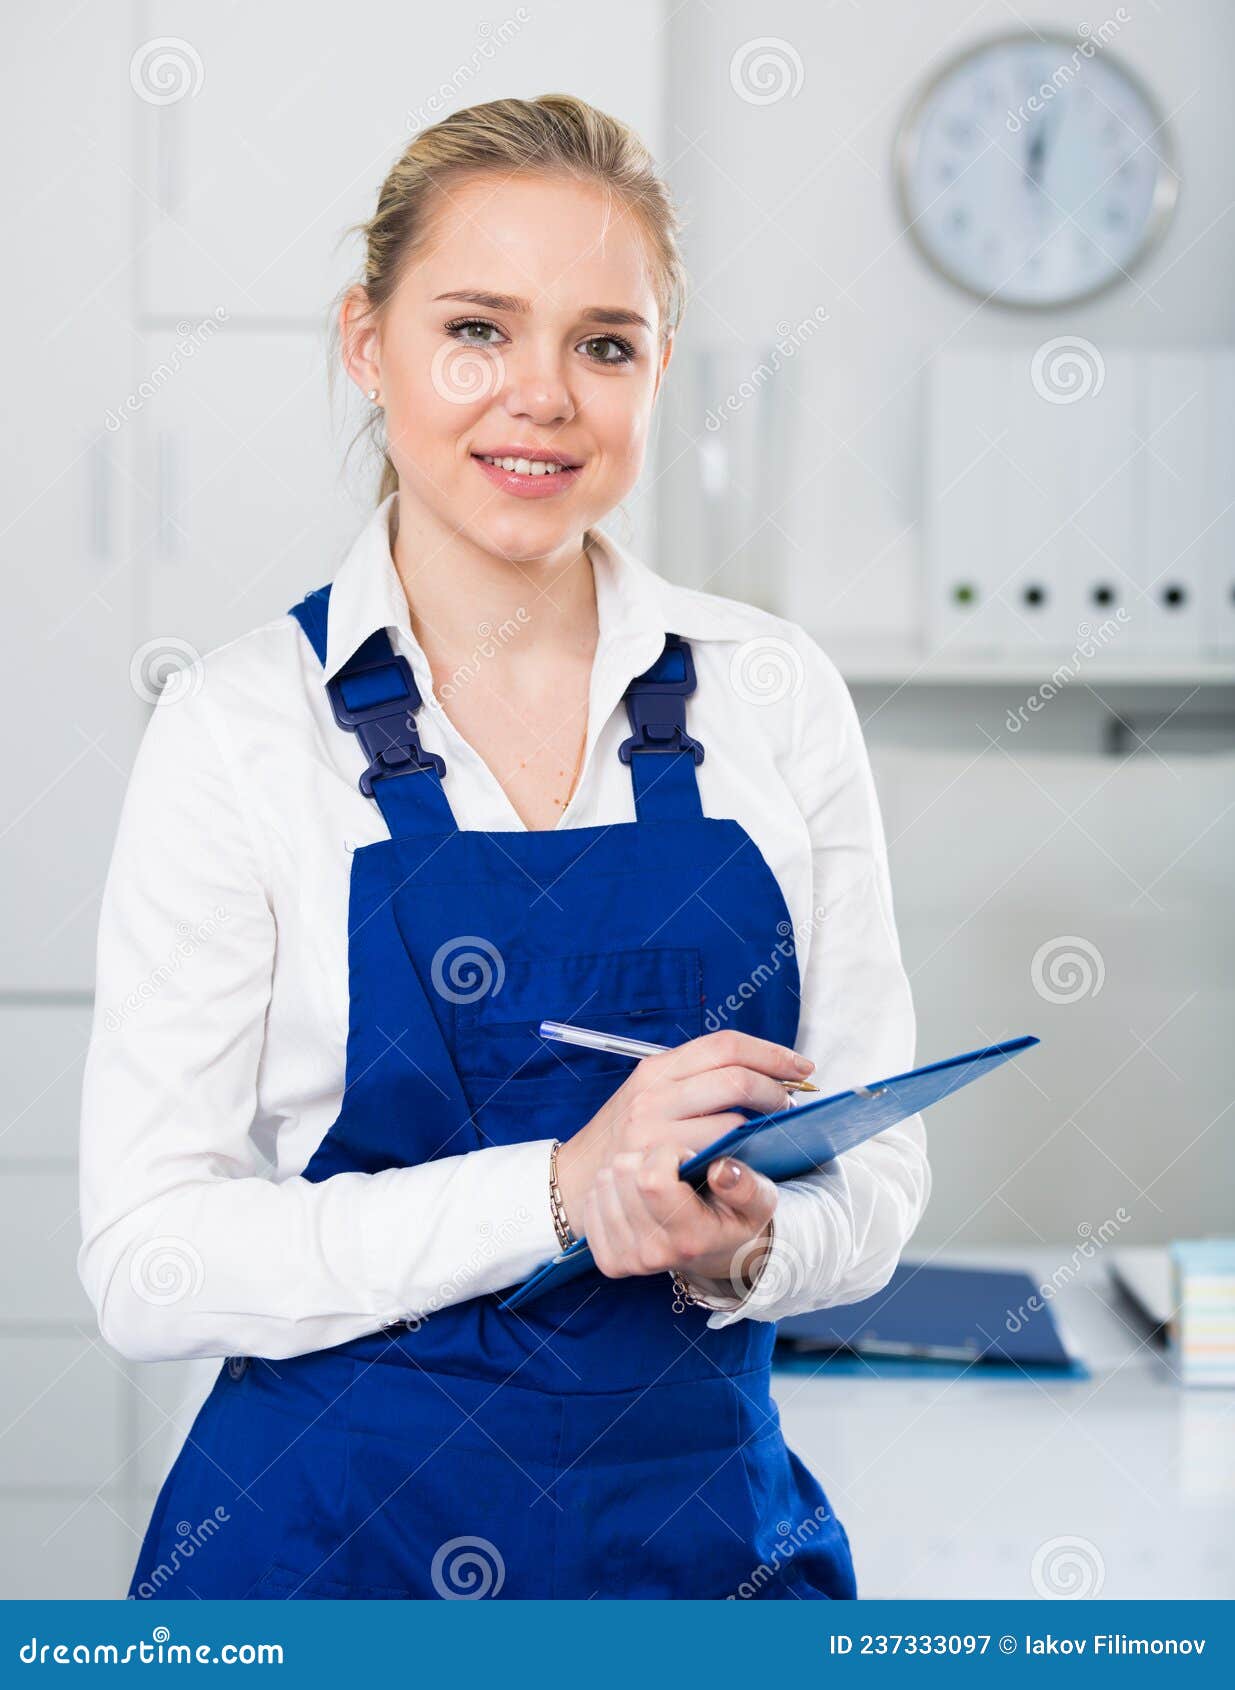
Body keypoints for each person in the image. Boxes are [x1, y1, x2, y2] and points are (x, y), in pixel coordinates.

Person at [78, 93, 929, 1601]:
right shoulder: (239, 729)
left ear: (658, 367)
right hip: (330, 1563)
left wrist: (745, 1248)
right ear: (367, 342)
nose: (542, 396)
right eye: (477, 329)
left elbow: (876, 1169)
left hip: (701, 1558)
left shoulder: (775, 695)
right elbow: (148, 1263)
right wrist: (557, 1188)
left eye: (605, 344)